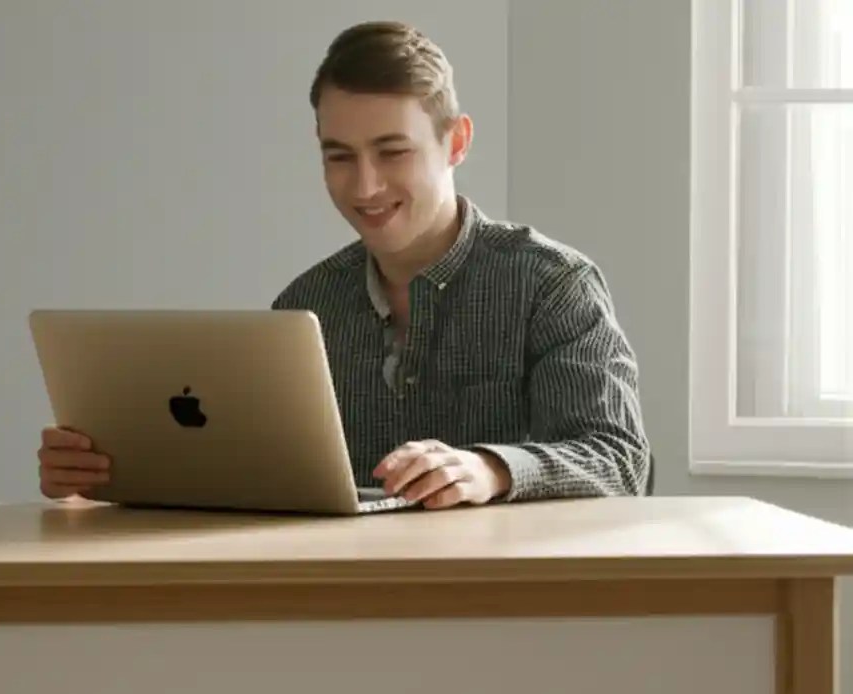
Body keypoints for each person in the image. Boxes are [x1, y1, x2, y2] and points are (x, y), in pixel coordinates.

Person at [37, 20, 650, 509]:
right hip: (335, 613)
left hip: (512, 610)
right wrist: (107, 478)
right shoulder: (306, 306)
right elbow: (258, 487)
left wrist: (490, 468)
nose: (365, 186)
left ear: (457, 142)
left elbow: (622, 462)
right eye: (340, 156)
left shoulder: (553, 284)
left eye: (393, 152)